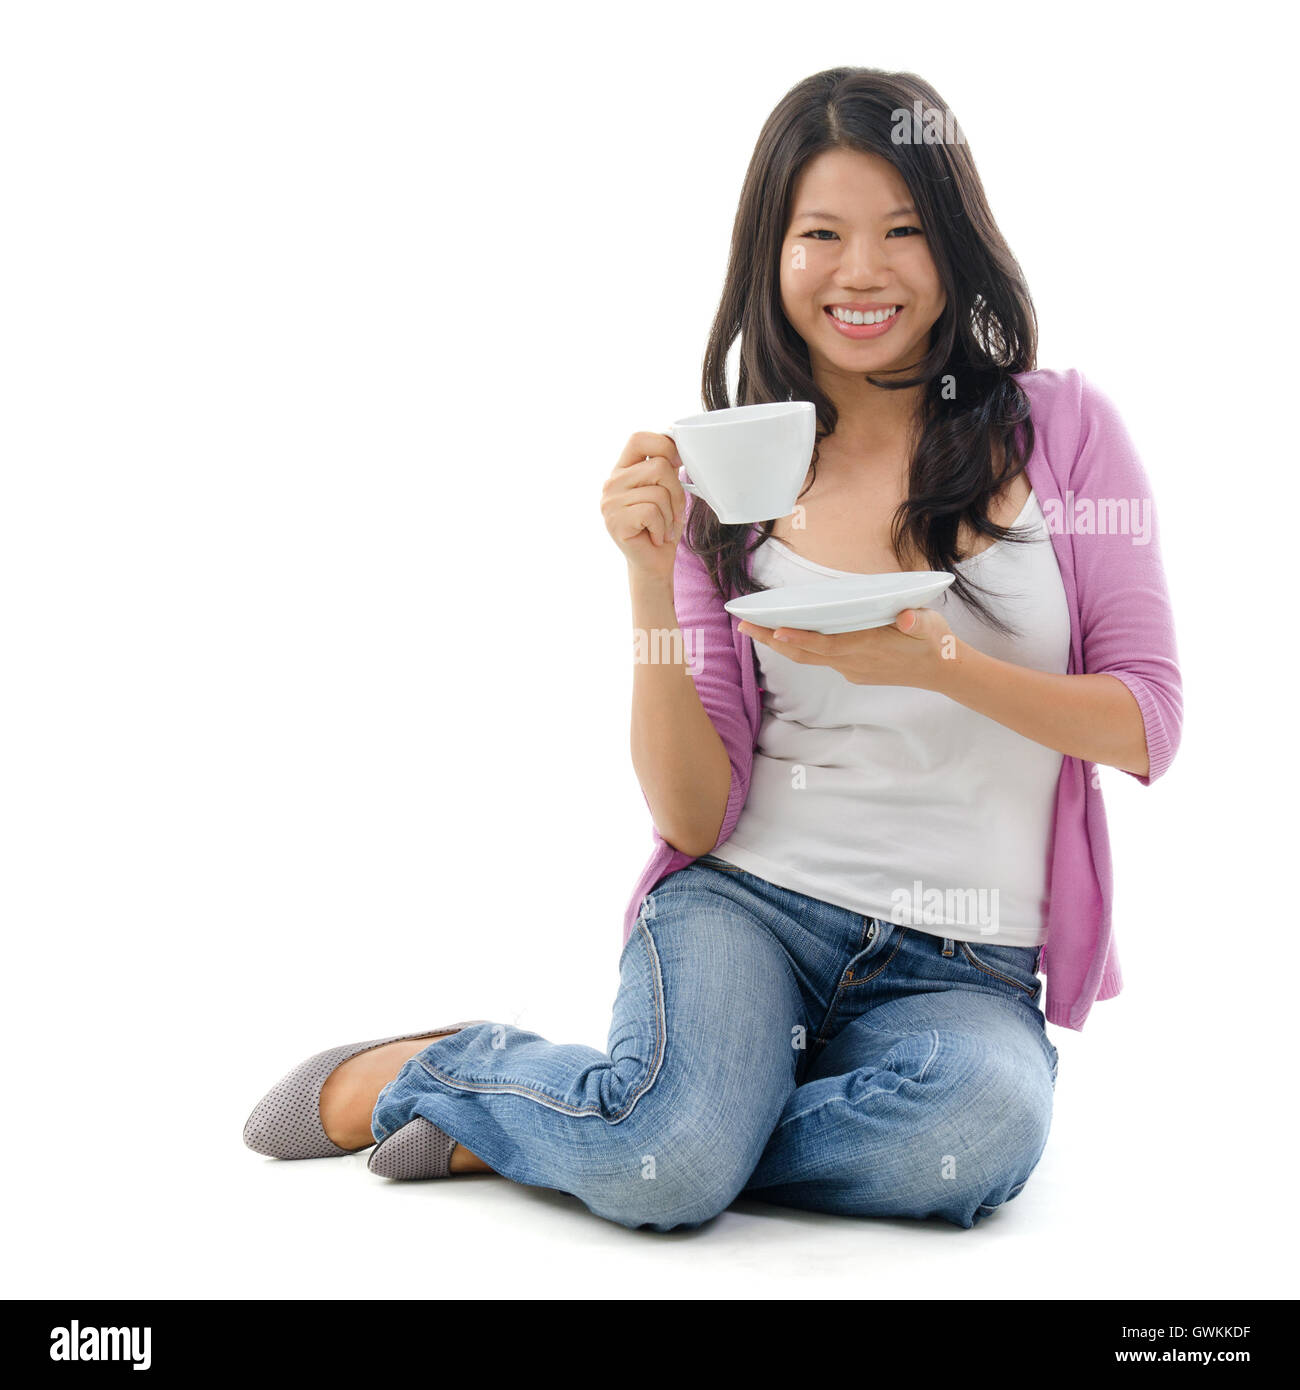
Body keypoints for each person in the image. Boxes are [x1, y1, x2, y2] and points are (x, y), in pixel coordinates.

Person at [243, 66, 1182, 1231]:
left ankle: (591, 1116)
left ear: (953, 243)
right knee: (675, 1168)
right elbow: (693, 819)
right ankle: (488, 1084)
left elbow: (1147, 725)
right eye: (820, 234)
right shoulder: (730, 472)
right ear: (771, 256)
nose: (861, 271)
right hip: (751, 913)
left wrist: (940, 666)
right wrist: (648, 571)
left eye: (901, 231)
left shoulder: (1064, 431)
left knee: (973, 1131)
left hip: (967, 967)